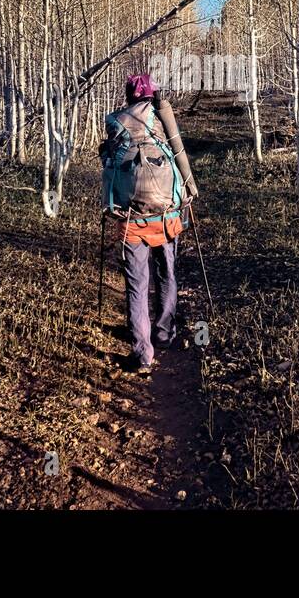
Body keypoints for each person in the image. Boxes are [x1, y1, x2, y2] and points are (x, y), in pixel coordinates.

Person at [100, 73, 184, 375]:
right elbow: (179, 157)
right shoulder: (163, 119)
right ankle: (163, 333)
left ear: (129, 96)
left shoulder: (116, 122)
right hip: (167, 215)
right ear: (152, 94)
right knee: (167, 274)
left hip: (131, 221)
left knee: (137, 285)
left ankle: (142, 353)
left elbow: (109, 165)